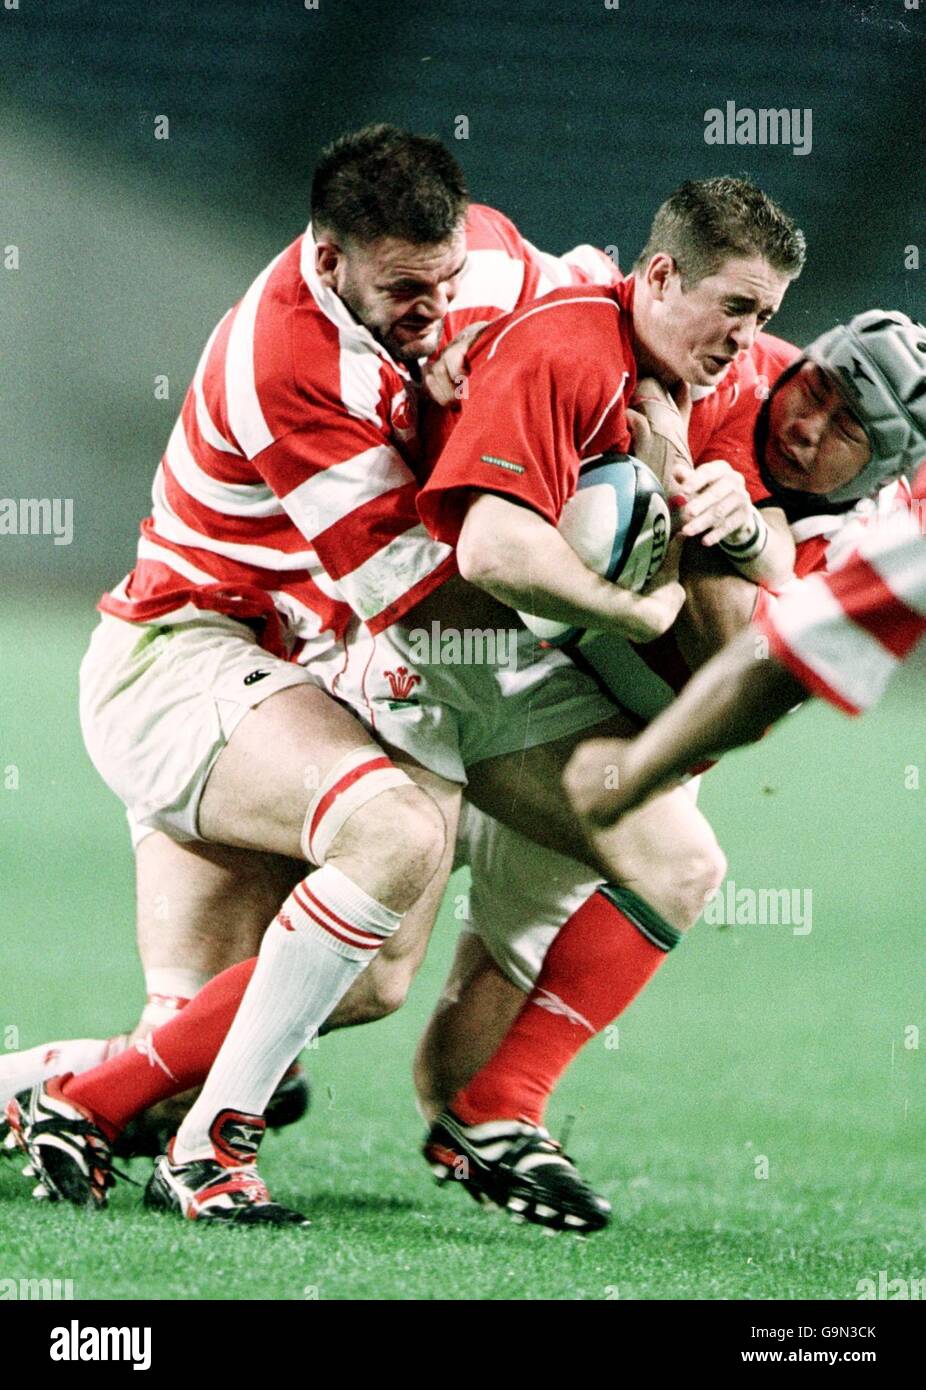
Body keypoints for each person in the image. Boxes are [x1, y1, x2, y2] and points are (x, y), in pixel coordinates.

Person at [7, 174, 806, 1232]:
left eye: (764, 319)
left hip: (427, 654)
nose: (749, 341)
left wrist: (734, 519)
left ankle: (480, 1104)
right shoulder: (294, 367)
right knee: (379, 865)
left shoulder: (531, 281)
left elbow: (550, 276)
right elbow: (462, 563)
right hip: (291, 650)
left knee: (610, 882)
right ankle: (168, 1123)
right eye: (737, 312)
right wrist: (631, 606)